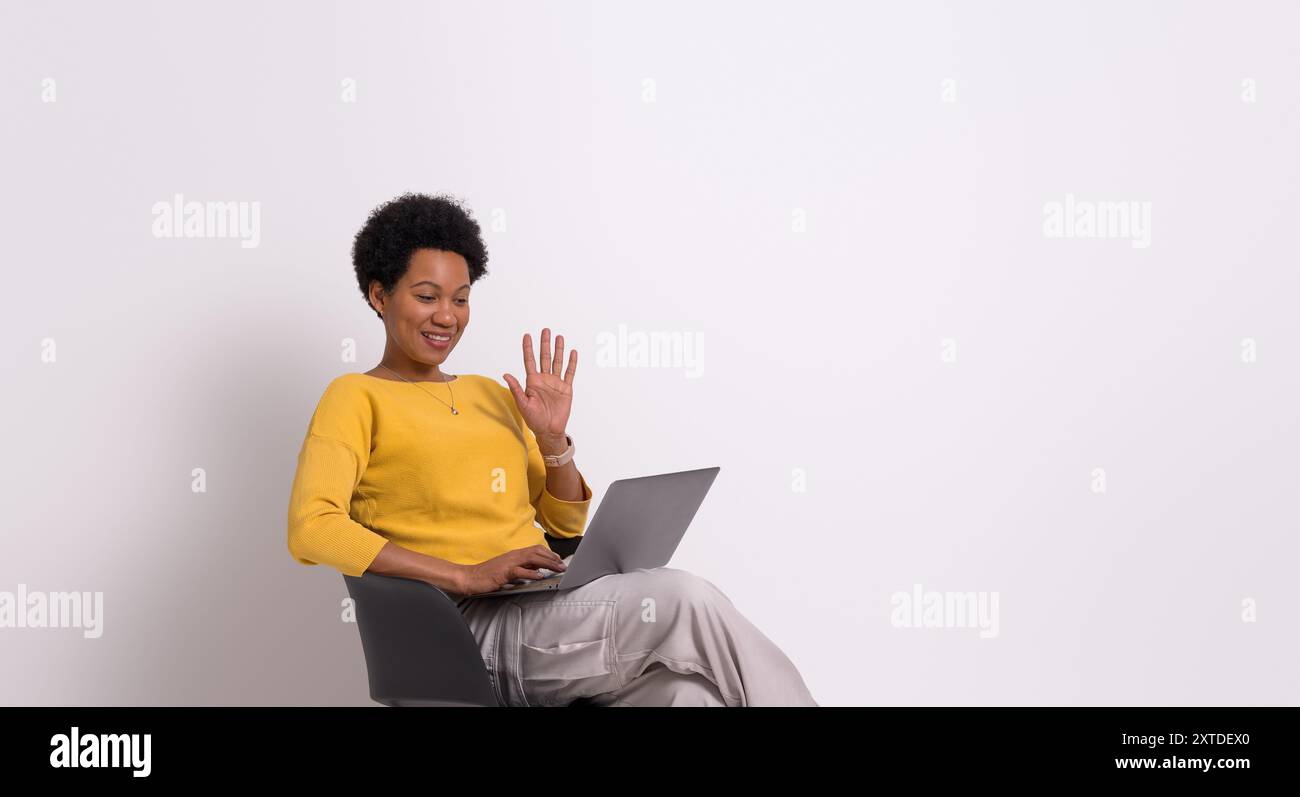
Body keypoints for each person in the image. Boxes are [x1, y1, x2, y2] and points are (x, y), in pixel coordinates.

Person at [286, 192, 818, 706]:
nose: (447, 316)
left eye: (461, 298)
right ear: (380, 295)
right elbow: (313, 526)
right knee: (682, 598)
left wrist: (552, 441)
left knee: (689, 695)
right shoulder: (355, 396)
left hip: (543, 609)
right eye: (427, 296)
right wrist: (464, 575)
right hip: (463, 633)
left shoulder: (490, 396)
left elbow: (564, 528)